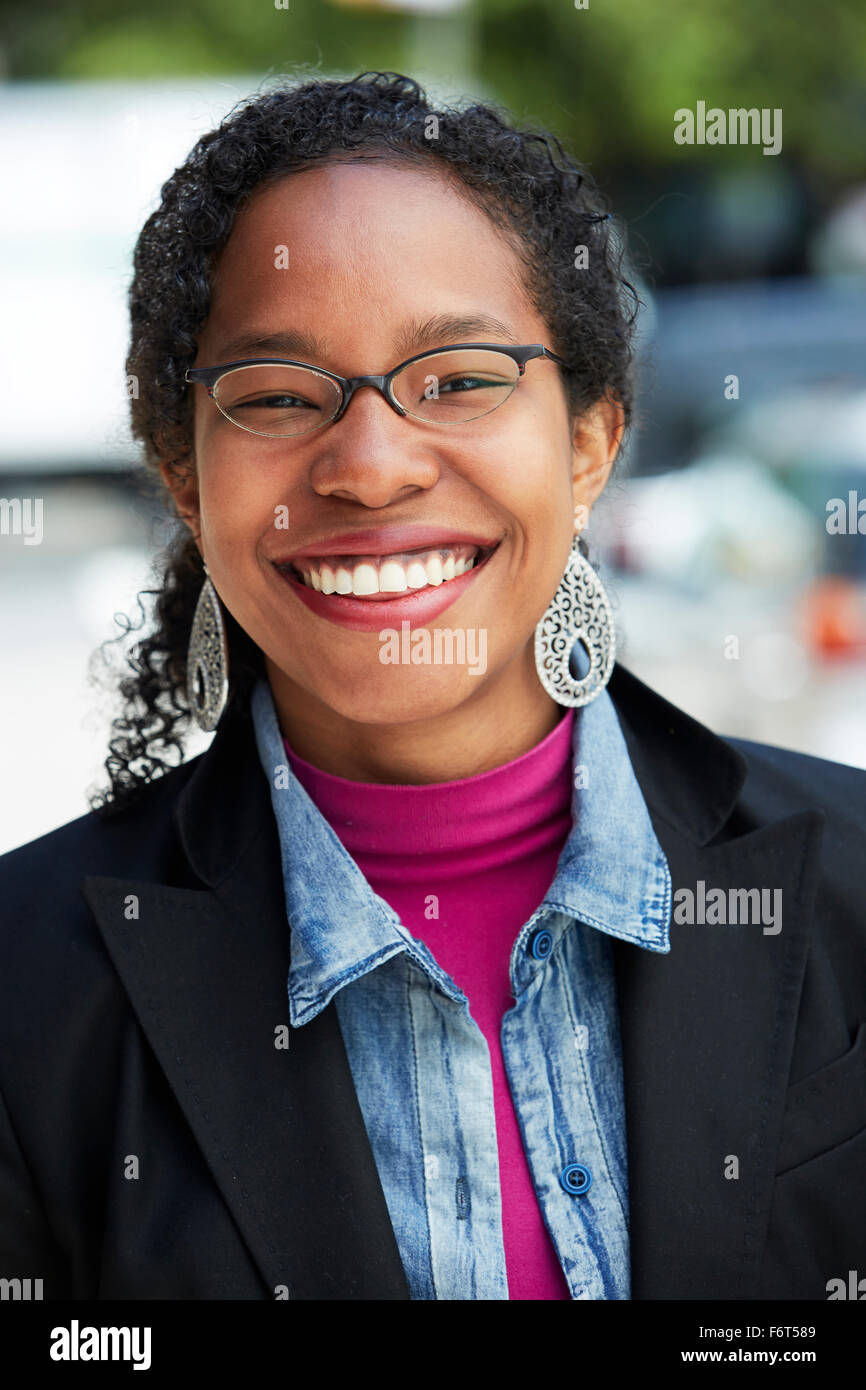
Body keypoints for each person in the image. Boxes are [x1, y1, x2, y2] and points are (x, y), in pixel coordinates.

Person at [0, 70, 864, 1303]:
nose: (368, 465)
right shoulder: (26, 991)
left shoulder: (848, 876)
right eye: (279, 396)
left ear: (589, 438)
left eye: (458, 378)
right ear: (182, 475)